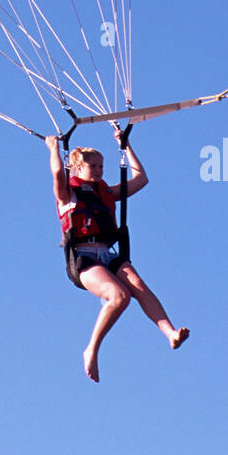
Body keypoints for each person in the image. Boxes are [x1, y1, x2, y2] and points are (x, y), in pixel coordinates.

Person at [46, 125, 189, 381]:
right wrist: (53, 148)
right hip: (83, 258)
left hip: (108, 254)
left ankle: (170, 333)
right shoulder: (68, 194)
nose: (100, 171)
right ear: (78, 168)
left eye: (102, 166)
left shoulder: (107, 192)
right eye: (94, 166)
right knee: (119, 296)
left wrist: (125, 145)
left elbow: (141, 178)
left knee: (139, 286)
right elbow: (57, 172)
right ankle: (91, 349)